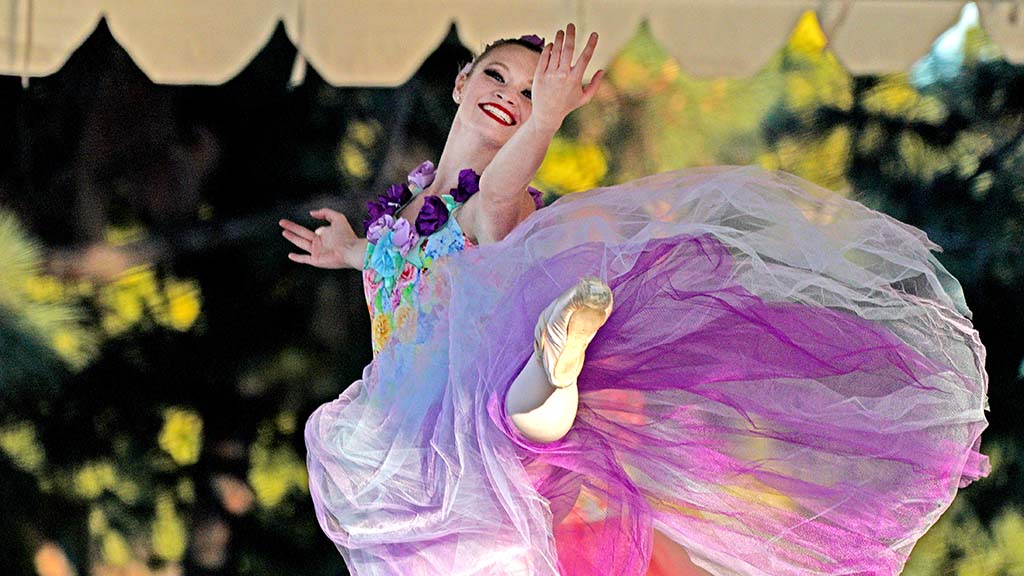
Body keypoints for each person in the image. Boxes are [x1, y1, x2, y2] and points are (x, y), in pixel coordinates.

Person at [280, 24, 989, 576]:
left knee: (516, 419)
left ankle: (554, 361)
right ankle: (551, 363)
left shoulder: (497, 202)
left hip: (463, 398)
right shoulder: (398, 215)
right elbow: (389, 266)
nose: (510, 95)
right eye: (498, 75)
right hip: (397, 426)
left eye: (530, 92)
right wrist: (346, 249)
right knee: (497, 459)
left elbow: (496, 197)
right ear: (463, 80)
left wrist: (546, 121)